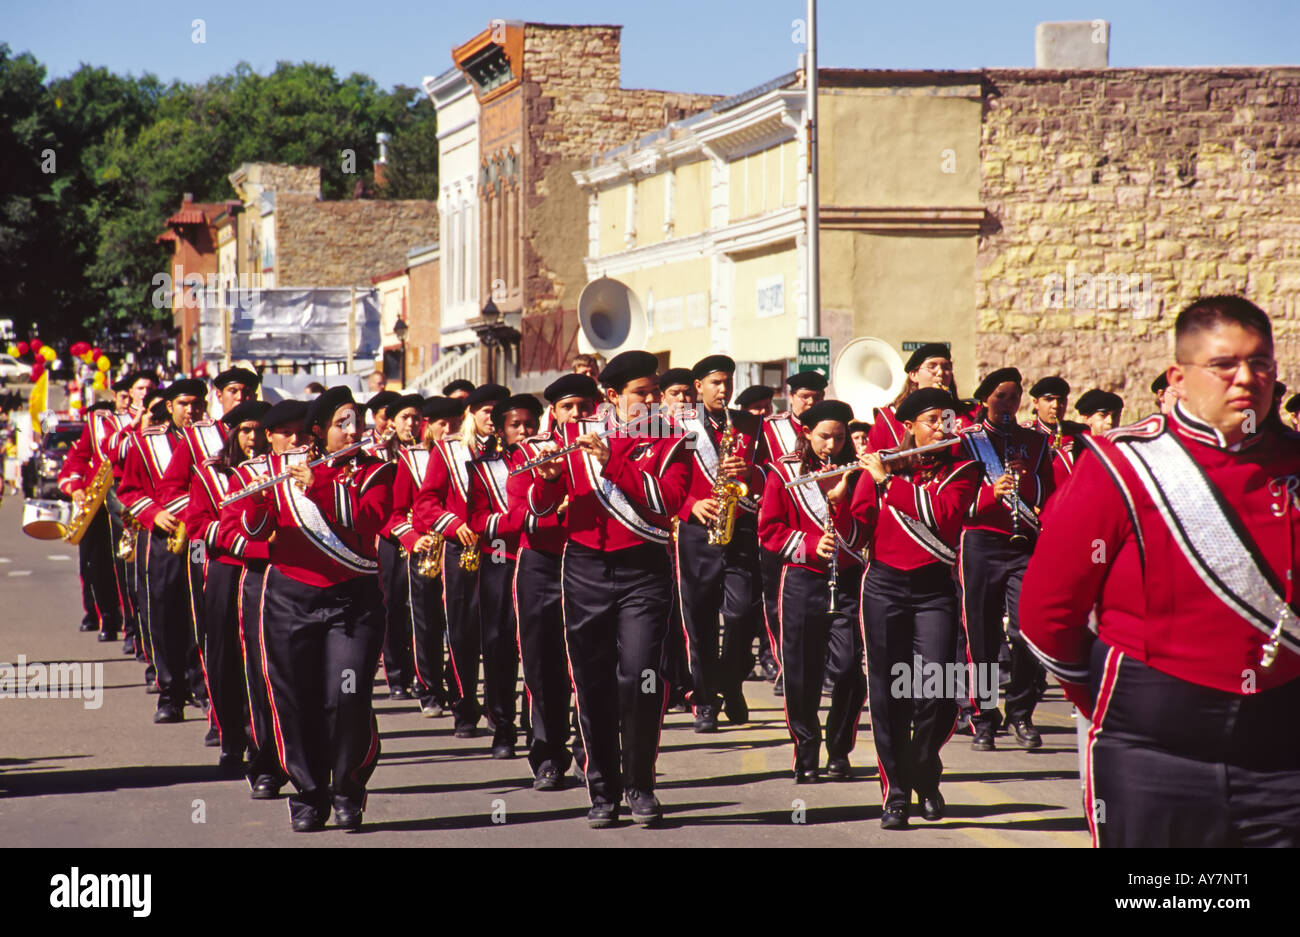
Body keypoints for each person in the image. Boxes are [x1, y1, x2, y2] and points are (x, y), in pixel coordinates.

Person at [1021, 295, 1300, 848]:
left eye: (1261, 363)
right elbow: (1047, 615)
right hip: (1152, 757)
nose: (1246, 378)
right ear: (1179, 375)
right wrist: (1118, 707)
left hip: (1282, 760)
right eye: (1224, 364)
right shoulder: (1120, 464)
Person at [528, 350, 692, 827]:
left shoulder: (671, 440)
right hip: (585, 568)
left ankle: (640, 781)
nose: (652, 401)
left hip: (644, 569)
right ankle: (602, 789)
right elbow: (541, 509)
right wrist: (546, 479)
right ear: (613, 397)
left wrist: (612, 462)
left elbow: (670, 501)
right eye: (642, 394)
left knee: (640, 676)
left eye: (655, 393)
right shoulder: (570, 438)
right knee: (593, 681)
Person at [224, 385, 394, 832]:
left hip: (352, 603)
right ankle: (309, 792)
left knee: (347, 696)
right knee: (294, 702)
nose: (354, 429)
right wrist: (257, 500)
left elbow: (367, 520)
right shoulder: (275, 470)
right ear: (318, 431)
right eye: (343, 422)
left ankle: (347, 788)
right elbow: (255, 531)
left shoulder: (375, 472)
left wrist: (317, 485)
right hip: (289, 601)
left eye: (355, 420)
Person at [850, 389, 981, 828]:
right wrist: (838, 498)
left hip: (933, 590)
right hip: (884, 585)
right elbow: (856, 532)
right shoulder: (882, 465)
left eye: (948, 419)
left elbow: (942, 515)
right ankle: (897, 792)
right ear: (910, 426)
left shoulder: (965, 467)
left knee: (940, 689)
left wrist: (887, 480)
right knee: (888, 693)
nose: (943, 427)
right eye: (932, 420)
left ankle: (924, 767)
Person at [758, 400, 869, 785]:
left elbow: (866, 526)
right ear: (806, 433)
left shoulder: (858, 472)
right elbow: (769, 529)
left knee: (851, 669)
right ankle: (806, 751)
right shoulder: (782, 471)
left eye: (840, 437)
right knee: (802, 673)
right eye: (824, 437)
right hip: (803, 580)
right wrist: (808, 544)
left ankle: (839, 749)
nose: (832, 445)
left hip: (850, 580)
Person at [957, 367, 1054, 750]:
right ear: (984, 400)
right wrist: (989, 495)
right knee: (981, 634)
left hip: (1022, 545)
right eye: (1000, 396)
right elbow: (952, 498)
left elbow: (1050, 491)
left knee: (1027, 631)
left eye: (1014, 397)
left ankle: (1021, 711)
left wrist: (1027, 481)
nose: (1008, 404)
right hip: (980, 542)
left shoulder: (1035, 442)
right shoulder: (965, 441)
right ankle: (982, 716)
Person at [512, 374, 600, 788]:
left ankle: (590, 752)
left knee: (588, 661)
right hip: (541, 562)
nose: (577, 415)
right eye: (568, 408)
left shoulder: (604, 448)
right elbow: (518, 509)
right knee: (542, 664)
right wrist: (548, 488)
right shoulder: (530, 451)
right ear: (553, 413)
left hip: (588, 563)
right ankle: (547, 754)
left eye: (584, 407)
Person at [412, 383, 510, 738]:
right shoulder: (449, 450)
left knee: (500, 635)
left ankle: (502, 717)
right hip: (461, 549)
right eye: (485, 410)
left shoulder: (512, 449)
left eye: (497, 411)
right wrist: (452, 526)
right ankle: (464, 707)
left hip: (500, 548)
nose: (491, 417)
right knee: (462, 632)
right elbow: (426, 502)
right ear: (471, 414)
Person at [674, 355, 766, 731]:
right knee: (700, 620)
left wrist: (750, 473)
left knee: (743, 613)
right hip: (697, 530)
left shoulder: (747, 424)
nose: (723, 389)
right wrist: (689, 504)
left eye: (726, 382)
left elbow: (770, 470)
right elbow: (663, 478)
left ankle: (731, 677)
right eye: (714, 382)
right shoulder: (675, 424)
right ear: (698, 387)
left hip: (739, 527)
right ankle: (706, 697)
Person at [185, 399, 270, 773]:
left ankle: (263, 738)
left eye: (260, 431)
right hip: (225, 569)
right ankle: (230, 738)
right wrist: (237, 540)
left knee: (259, 656)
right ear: (234, 434)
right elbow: (196, 524)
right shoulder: (210, 472)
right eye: (246, 431)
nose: (254, 438)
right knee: (223, 656)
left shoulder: (275, 467)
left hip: (263, 570)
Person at [117, 379, 207, 723]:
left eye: (197, 403)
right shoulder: (146, 442)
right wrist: (155, 513)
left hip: (200, 539)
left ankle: (205, 690)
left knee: (201, 613)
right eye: (184, 403)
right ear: (169, 406)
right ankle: (170, 693)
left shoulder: (214, 439)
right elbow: (129, 489)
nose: (191, 410)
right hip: (163, 536)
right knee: (163, 612)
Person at [467, 394, 544, 759]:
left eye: (530, 424)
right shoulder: (483, 468)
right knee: (497, 645)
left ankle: (537, 724)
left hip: (538, 559)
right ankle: (501, 725)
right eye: (516, 425)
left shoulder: (550, 459)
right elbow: (476, 517)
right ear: (500, 430)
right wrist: (514, 523)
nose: (524, 431)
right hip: (499, 558)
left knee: (537, 647)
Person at [387, 396, 463, 718]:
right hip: (425, 550)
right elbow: (393, 513)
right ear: (428, 427)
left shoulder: (465, 455)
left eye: (453, 423)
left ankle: (459, 686)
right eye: (441, 424)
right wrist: (413, 538)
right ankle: (428, 687)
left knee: (460, 622)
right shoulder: (412, 459)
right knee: (426, 622)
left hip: (460, 550)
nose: (448, 429)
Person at [759, 370, 828, 693]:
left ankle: (821, 662)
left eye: (816, 397)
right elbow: (758, 466)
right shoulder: (770, 427)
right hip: (781, 520)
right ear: (791, 397)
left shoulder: (829, 426)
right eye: (804, 397)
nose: (810, 402)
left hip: (819, 524)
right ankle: (786, 663)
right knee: (777, 598)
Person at [375, 394, 425, 701]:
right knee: (392, 606)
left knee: (420, 610)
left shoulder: (426, 451)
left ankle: (422, 674)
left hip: (422, 536)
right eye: (405, 417)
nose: (411, 423)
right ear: (392, 421)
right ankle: (396, 675)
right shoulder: (379, 454)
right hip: (390, 538)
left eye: (416, 418)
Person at [868, 343, 975, 453]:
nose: (941, 372)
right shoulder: (890, 418)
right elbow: (871, 463)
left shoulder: (969, 414)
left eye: (946, 367)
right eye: (932, 367)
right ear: (914, 375)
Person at [1023, 376, 1088, 474]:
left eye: (1061, 400)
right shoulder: (1024, 433)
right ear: (1035, 403)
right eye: (1049, 399)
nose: (1056, 406)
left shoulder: (1080, 434)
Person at [362, 391, 400, 458]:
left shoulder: (405, 439)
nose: (391, 424)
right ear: (374, 416)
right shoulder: (364, 441)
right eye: (385, 418)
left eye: (394, 418)